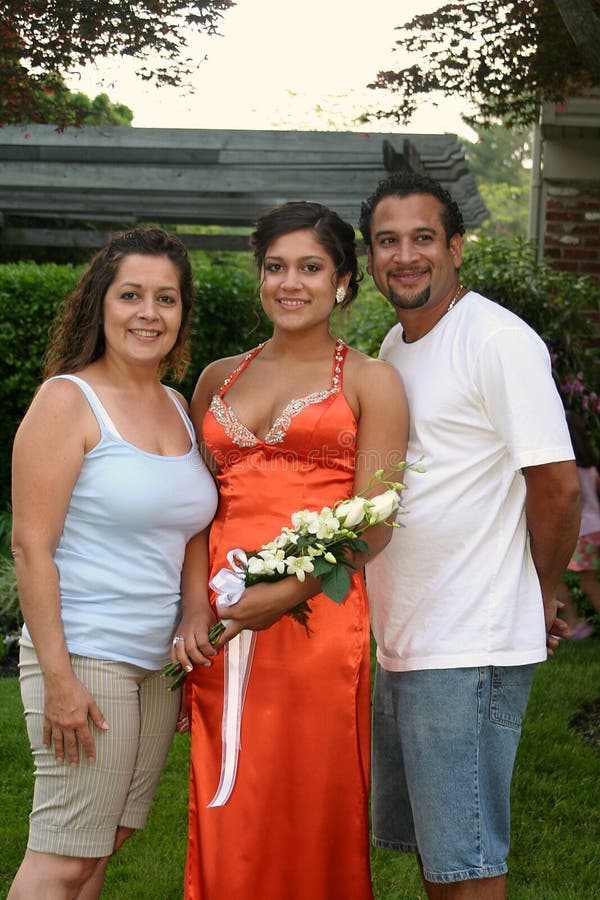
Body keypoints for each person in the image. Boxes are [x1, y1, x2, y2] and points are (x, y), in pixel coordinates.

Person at [170, 200, 408, 900]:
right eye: (276, 267)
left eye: (311, 266)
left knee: (310, 794)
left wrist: (285, 596)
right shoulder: (216, 379)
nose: (290, 282)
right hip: (219, 621)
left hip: (317, 622)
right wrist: (191, 612)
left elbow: (377, 519)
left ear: (343, 281)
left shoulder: (371, 381)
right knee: (228, 791)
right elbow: (192, 508)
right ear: (259, 277)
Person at [357, 173, 581, 899]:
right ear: (369, 260)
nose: (406, 255)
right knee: (441, 860)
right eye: (387, 241)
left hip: (468, 642)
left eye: (423, 237)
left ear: (456, 247)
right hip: (409, 640)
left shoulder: (495, 340)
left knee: (469, 867)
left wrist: (538, 594)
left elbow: (558, 485)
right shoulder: (397, 343)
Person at [8, 228, 218, 900]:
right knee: (64, 855)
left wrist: (193, 608)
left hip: (154, 664)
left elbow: (188, 524)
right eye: (131, 295)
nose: (148, 313)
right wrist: (61, 680)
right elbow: (30, 546)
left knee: (104, 845)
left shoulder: (179, 409)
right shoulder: (68, 401)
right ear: (102, 303)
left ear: (182, 313)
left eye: (166, 298)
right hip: (86, 651)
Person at [557, 411, 600, 638]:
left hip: (582, 532)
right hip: (596, 529)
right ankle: (573, 623)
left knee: (562, 579)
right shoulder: (591, 469)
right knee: (588, 581)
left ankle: (573, 623)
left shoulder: (570, 471)